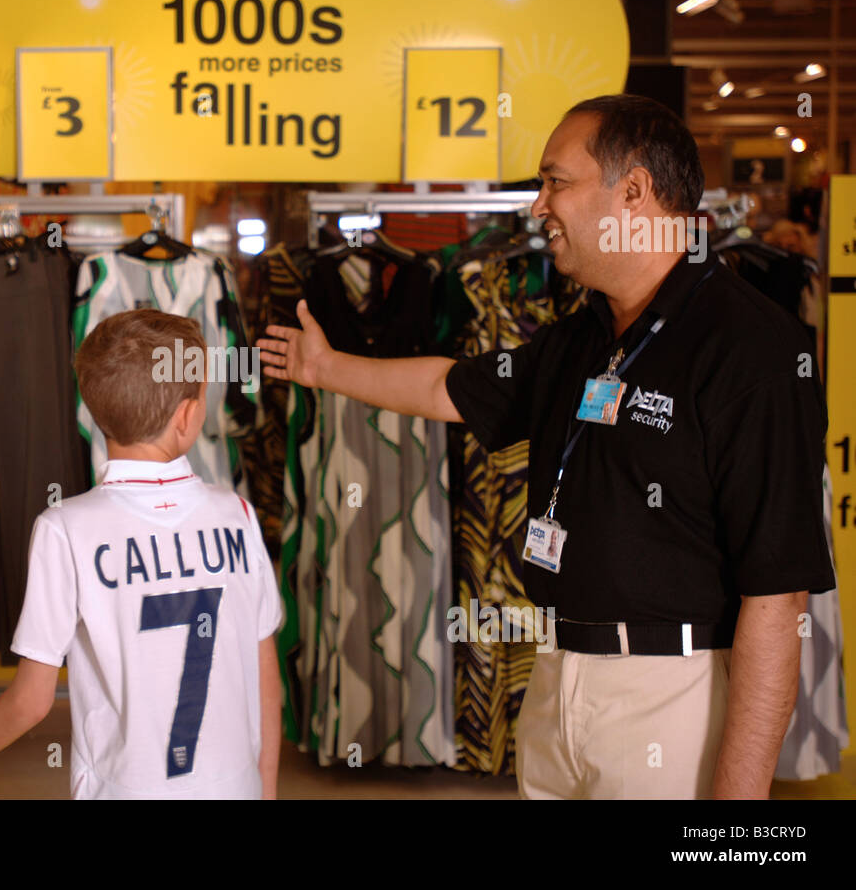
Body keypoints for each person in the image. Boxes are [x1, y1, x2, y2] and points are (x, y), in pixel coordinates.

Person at [258, 94, 834, 800]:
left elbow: (778, 599)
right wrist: (324, 370)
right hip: (555, 676)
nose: (538, 207)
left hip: (668, 697)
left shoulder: (752, 350)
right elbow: (451, 388)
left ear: (633, 191)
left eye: (555, 181)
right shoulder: (586, 333)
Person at [0, 309, 283, 799]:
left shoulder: (66, 529)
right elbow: (265, 675)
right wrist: (265, 787)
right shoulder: (239, 517)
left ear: (93, 410)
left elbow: (32, 701)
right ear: (188, 415)